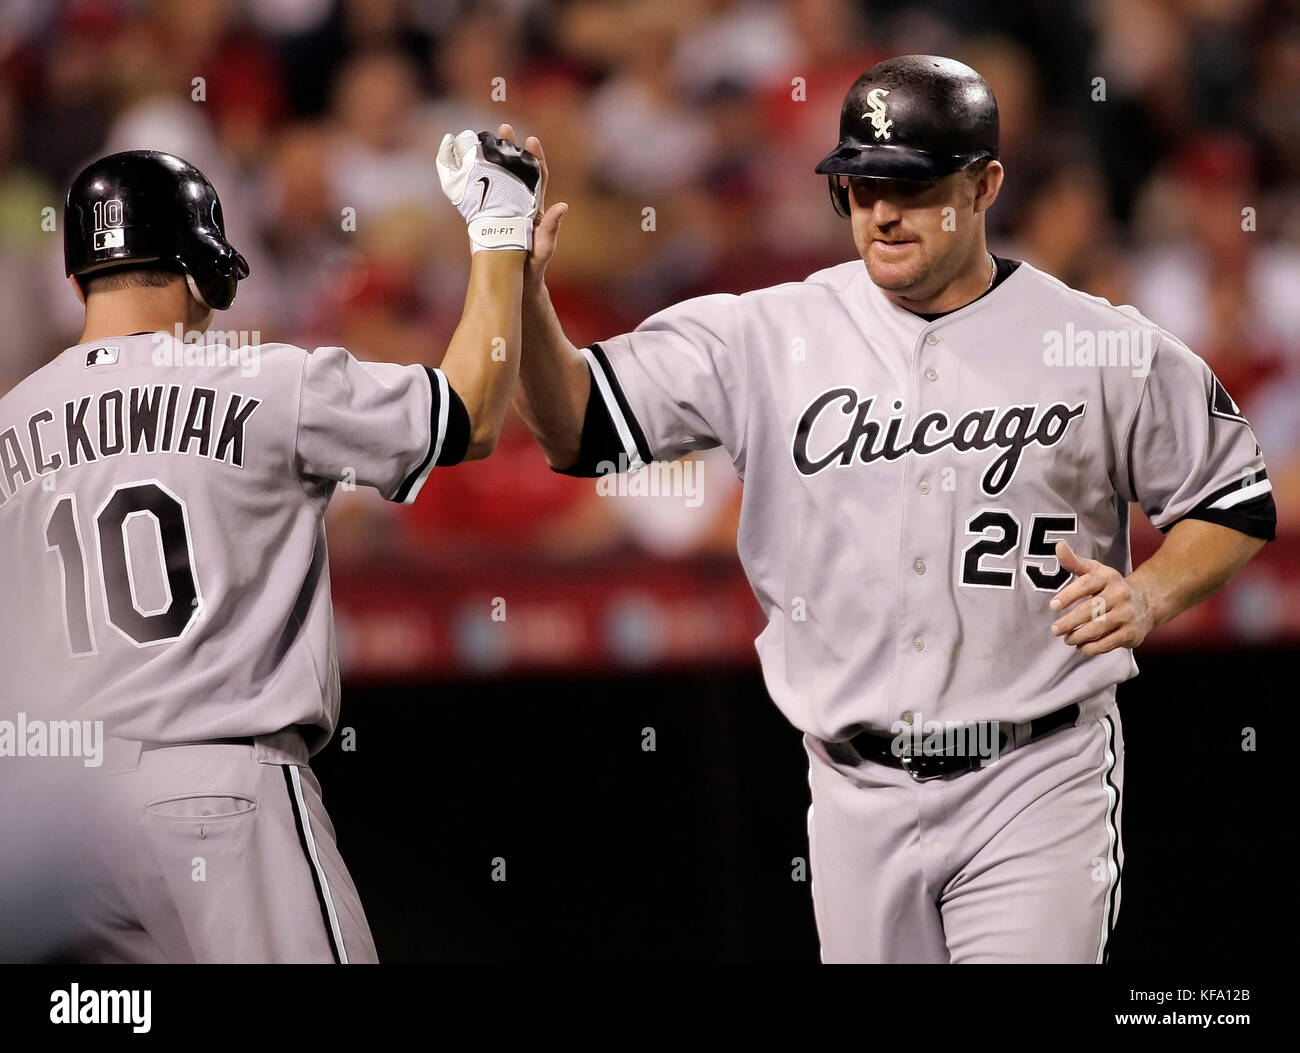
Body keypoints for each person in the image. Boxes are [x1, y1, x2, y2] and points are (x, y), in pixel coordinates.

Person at [503, 56, 1276, 963]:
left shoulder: (1096, 342)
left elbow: (1235, 497)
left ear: (985, 184)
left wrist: (1149, 595)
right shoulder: (769, 333)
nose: (882, 210)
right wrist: (517, 290)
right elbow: (577, 431)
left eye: (911, 183)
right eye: (862, 184)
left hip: (1034, 774)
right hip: (851, 789)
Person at [0, 133, 538, 962]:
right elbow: (468, 413)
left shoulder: (8, 427)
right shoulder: (263, 380)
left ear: (75, 278)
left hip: (61, 821)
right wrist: (501, 234)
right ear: (198, 269)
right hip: (220, 789)